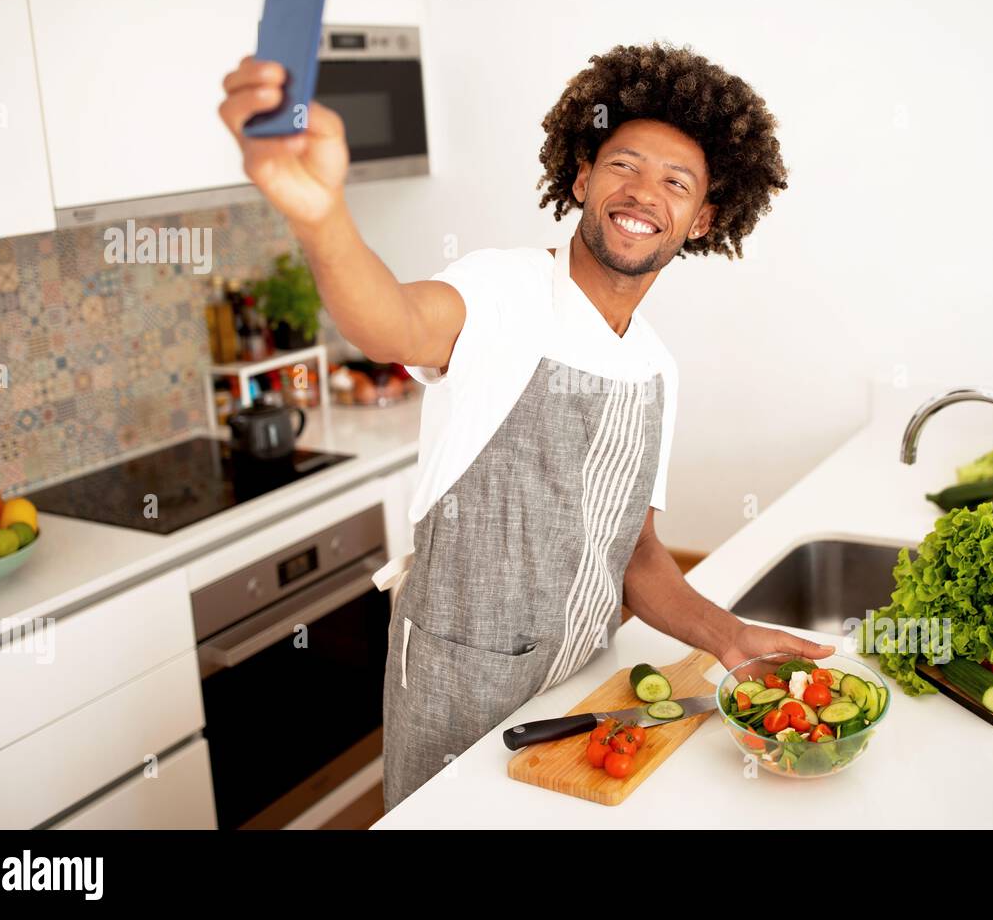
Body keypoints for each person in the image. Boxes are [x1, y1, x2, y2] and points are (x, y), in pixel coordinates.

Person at [218, 40, 833, 812]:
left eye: (676, 182)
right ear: (581, 176)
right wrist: (321, 216)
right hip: (458, 691)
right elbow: (392, 323)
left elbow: (635, 554)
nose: (643, 192)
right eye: (622, 165)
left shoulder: (655, 369)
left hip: (576, 691)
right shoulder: (503, 290)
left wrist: (728, 637)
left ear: (703, 219)